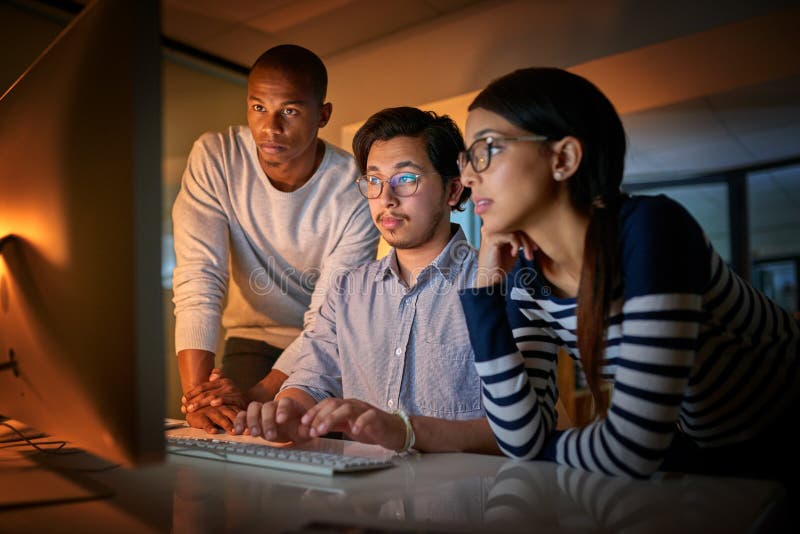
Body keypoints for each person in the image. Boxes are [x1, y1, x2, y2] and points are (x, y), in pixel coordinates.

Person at [457, 67, 800, 481]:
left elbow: (630, 448)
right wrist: (484, 285)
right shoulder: (527, 277)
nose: (467, 176)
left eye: (487, 148)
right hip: (708, 451)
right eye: (468, 157)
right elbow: (517, 437)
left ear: (563, 158)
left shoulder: (653, 227)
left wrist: (546, 449)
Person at [233, 107, 500, 454]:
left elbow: (522, 429)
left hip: (465, 499)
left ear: (452, 190)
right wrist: (288, 409)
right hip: (363, 502)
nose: (385, 199)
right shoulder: (347, 291)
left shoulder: (496, 285)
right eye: (374, 181)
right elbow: (312, 377)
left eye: (406, 179)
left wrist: (404, 431)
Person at [172, 44, 380, 434]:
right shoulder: (216, 159)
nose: (270, 128)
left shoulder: (355, 186)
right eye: (258, 108)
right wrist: (201, 396)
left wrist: (259, 395)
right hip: (253, 336)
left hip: (328, 344)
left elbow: (328, 317)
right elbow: (199, 278)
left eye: (289, 111)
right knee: (226, 444)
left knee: (310, 455)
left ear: (323, 115)